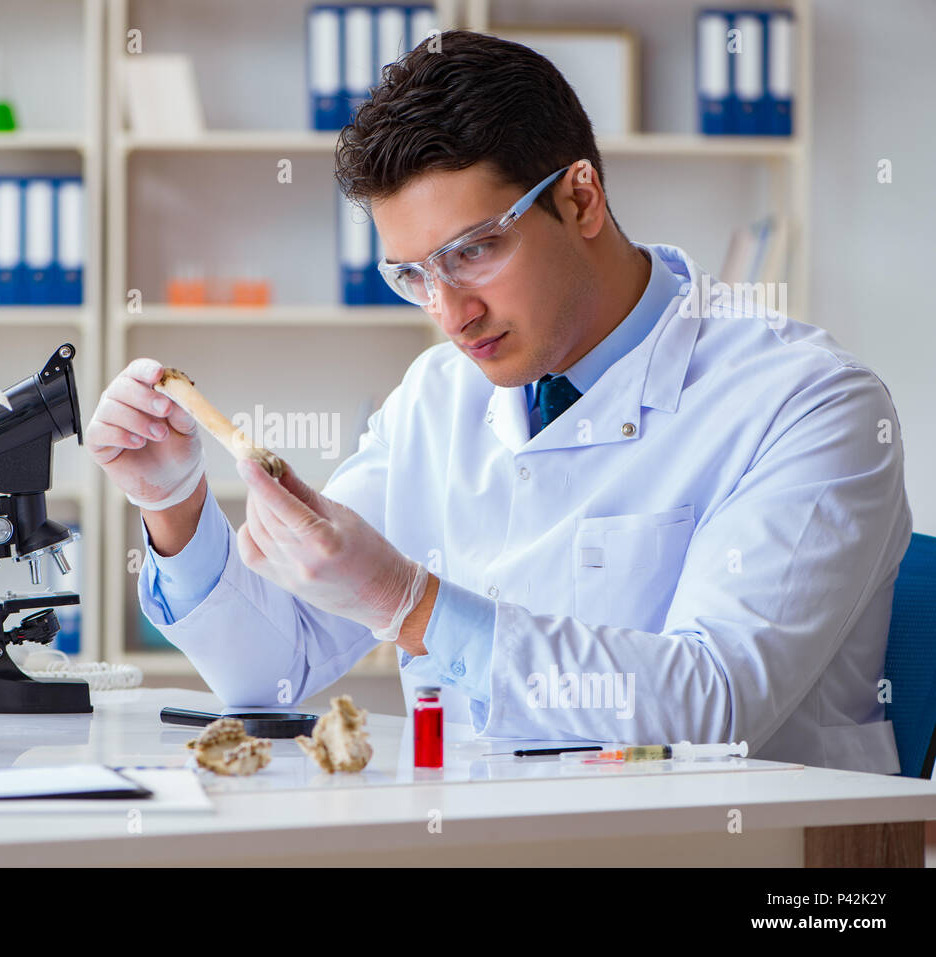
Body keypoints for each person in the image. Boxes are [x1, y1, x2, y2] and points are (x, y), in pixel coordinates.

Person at [85, 31, 911, 774]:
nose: (450, 313)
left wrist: (410, 604)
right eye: (413, 275)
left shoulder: (808, 403)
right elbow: (278, 666)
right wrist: (177, 507)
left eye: (474, 250)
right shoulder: (438, 397)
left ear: (580, 198)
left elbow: (713, 707)